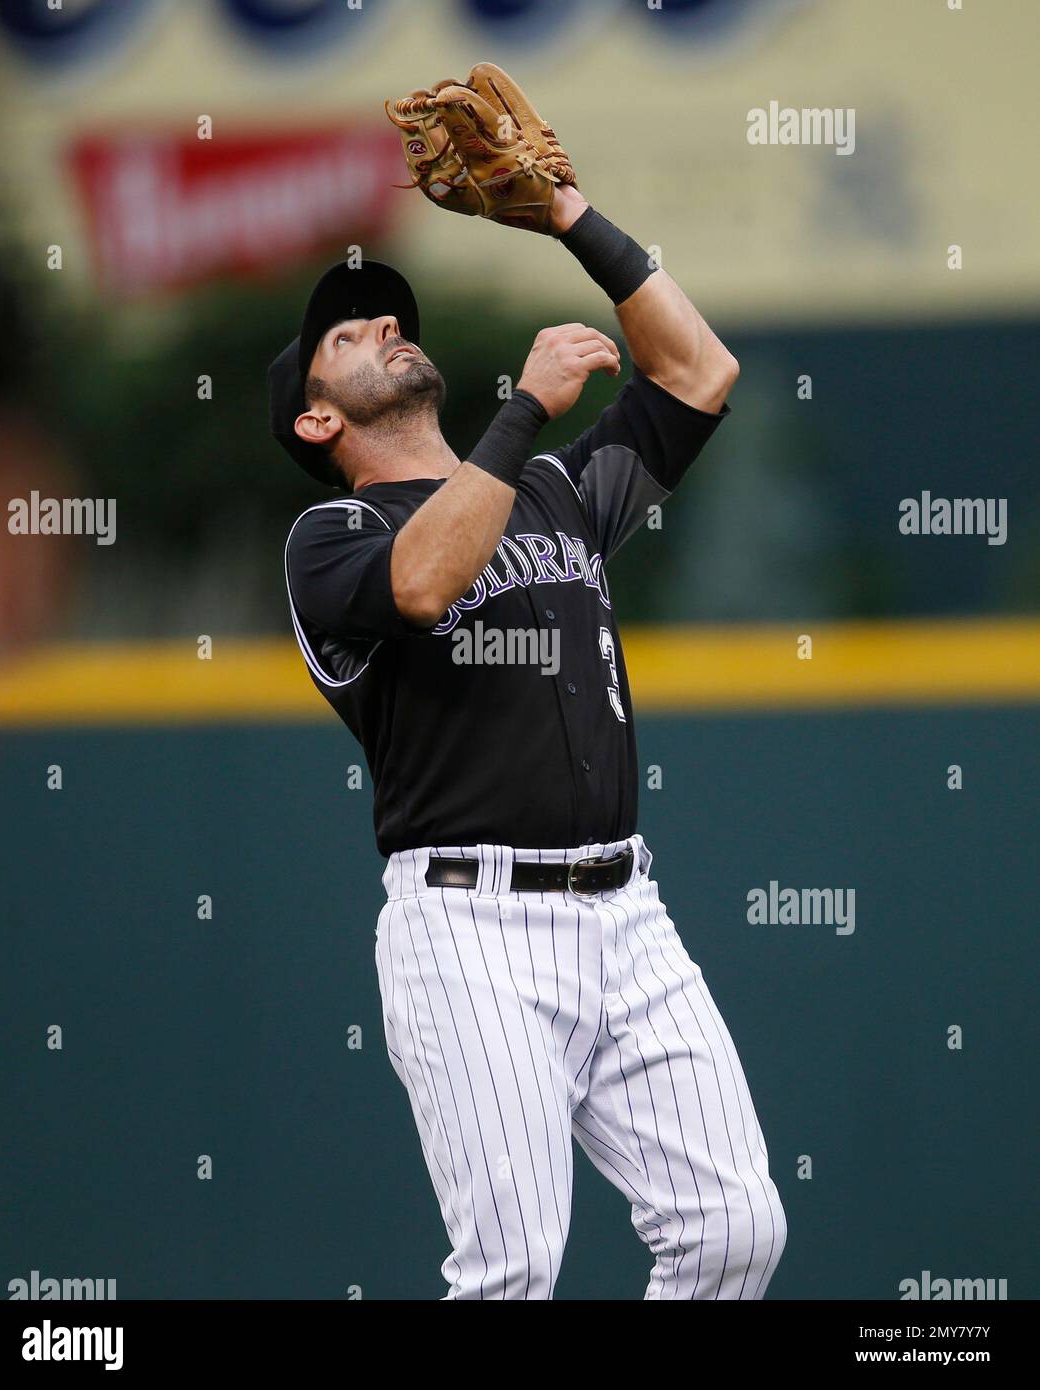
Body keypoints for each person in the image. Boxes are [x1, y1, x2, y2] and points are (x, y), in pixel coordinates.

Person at [267, 183, 787, 1299]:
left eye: (391, 319)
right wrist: (522, 414)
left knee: (736, 1231)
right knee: (511, 1272)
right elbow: (422, 580)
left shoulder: (555, 495)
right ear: (319, 420)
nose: (386, 331)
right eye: (350, 337)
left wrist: (570, 217)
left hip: (624, 912)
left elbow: (701, 374)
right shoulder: (335, 535)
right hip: (469, 925)